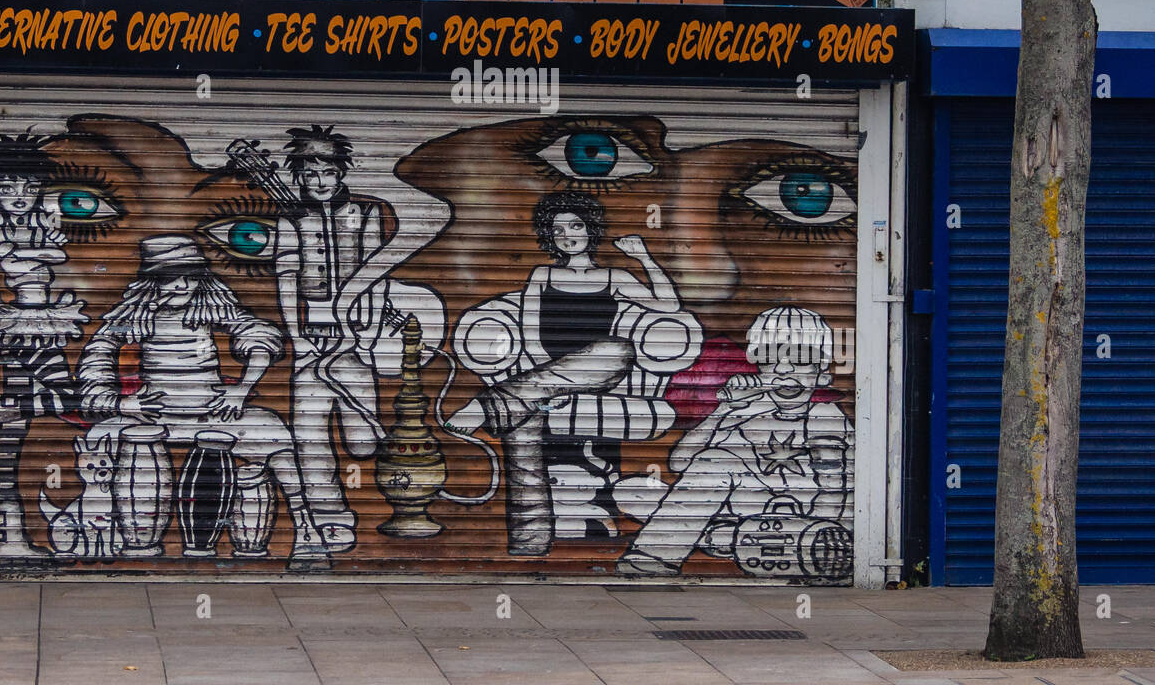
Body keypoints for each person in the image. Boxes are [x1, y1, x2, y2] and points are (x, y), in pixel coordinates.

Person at [446, 190, 682, 555]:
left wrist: (643, 257)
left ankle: (488, 405)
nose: (567, 235)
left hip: (599, 369)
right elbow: (528, 334)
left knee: (615, 348)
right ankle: (530, 543)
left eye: (575, 225)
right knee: (520, 425)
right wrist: (550, 383)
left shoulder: (614, 276)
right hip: (541, 379)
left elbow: (668, 304)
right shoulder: (542, 273)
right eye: (557, 230)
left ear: (591, 229)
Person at [77, 235, 327, 566]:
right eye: (169, 277)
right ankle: (98, 536)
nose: (181, 285)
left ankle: (306, 527)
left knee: (274, 433)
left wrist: (242, 388)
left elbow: (258, 333)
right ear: (150, 281)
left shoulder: (210, 308)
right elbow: (96, 355)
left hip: (212, 413)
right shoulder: (136, 315)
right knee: (98, 438)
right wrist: (123, 405)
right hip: (154, 417)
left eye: (190, 276)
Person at [616, 304, 852, 578]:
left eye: (800, 360)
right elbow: (681, 464)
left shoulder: (824, 416)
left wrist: (817, 534)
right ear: (758, 368)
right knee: (634, 489)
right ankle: (718, 540)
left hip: (803, 518)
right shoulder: (749, 409)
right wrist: (725, 411)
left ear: (822, 372)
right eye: (771, 360)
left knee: (692, 480)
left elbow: (834, 493)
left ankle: (706, 541)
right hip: (745, 512)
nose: (784, 370)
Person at [266, 125, 399, 553]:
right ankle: (331, 520)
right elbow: (286, 282)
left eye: (326, 174)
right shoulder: (290, 219)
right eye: (309, 175)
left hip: (356, 341)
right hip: (313, 340)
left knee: (363, 443)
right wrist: (297, 340)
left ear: (341, 174)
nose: (318, 182)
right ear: (298, 178)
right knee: (310, 438)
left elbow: (377, 276)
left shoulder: (366, 215)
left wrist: (369, 334)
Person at [0, 133, 88, 564]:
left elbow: (53, 253)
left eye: (29, 187)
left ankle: (8, 533)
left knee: (17, 425)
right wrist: (39, 251)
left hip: (47, 318)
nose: (20, 195)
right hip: (18, 322)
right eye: (10, 186)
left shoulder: (38, 217)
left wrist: (35, 250)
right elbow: (14, 262)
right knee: (65, 397)